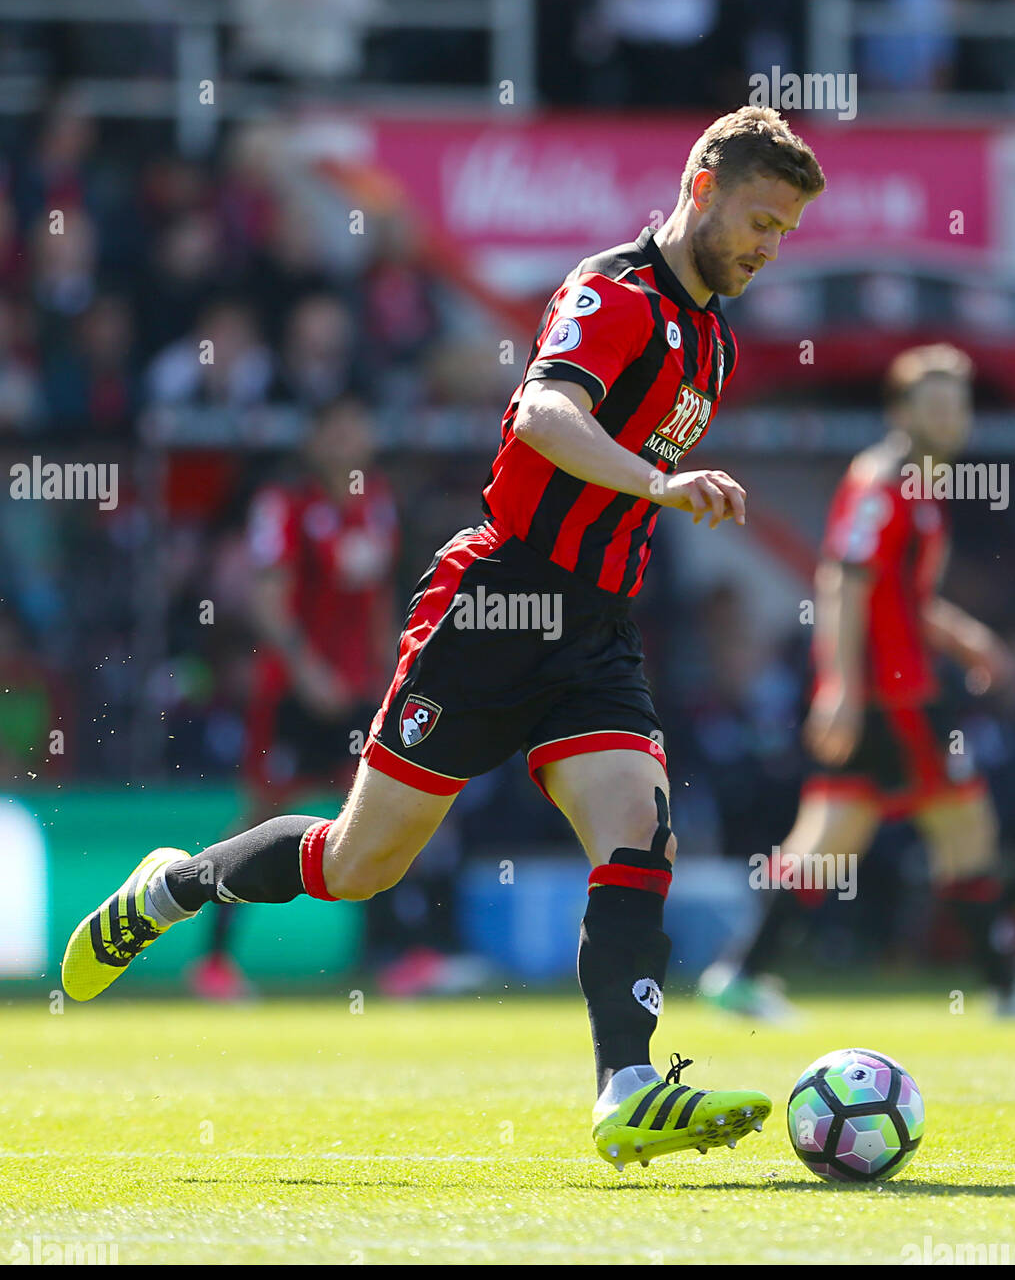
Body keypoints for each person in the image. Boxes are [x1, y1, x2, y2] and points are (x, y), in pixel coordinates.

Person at [62, 106, 826, 1173]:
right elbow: (542, 419)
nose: (765, 245)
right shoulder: (612, 294)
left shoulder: (713, 338)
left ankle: (627, 1086)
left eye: (783, 232)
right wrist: (658, 481)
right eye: (756, 219)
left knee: (637, 831)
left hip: (595, 628)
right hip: (498, 605)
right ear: (701, 186)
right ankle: (175, 888)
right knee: (358, 859)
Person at [700, 344, 1015, 1021]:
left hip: (891, 690)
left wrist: (972, 642)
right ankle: (1002, 988)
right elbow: (842, 581)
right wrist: (839, 685)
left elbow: (903, 596)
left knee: (827, 838)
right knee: (965, 824)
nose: (949, 418)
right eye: (933, 404)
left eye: (956, 404)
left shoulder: (918, 488)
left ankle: (739, 974)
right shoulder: (883, 481)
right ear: (900, 412)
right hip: (893, 696)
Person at [188, 394, 398, 999]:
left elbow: (380, 599)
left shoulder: (376, 503)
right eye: (335, 428)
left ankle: (381, 956)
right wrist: (309, 674)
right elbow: (268, 601)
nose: (347, 440)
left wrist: (389, 671)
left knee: (373, 816)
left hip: (358, 689)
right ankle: (214, 960)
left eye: (356, 426)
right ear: (315, 440)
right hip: (294, 691)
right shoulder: (284, 505)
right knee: (262, 813)